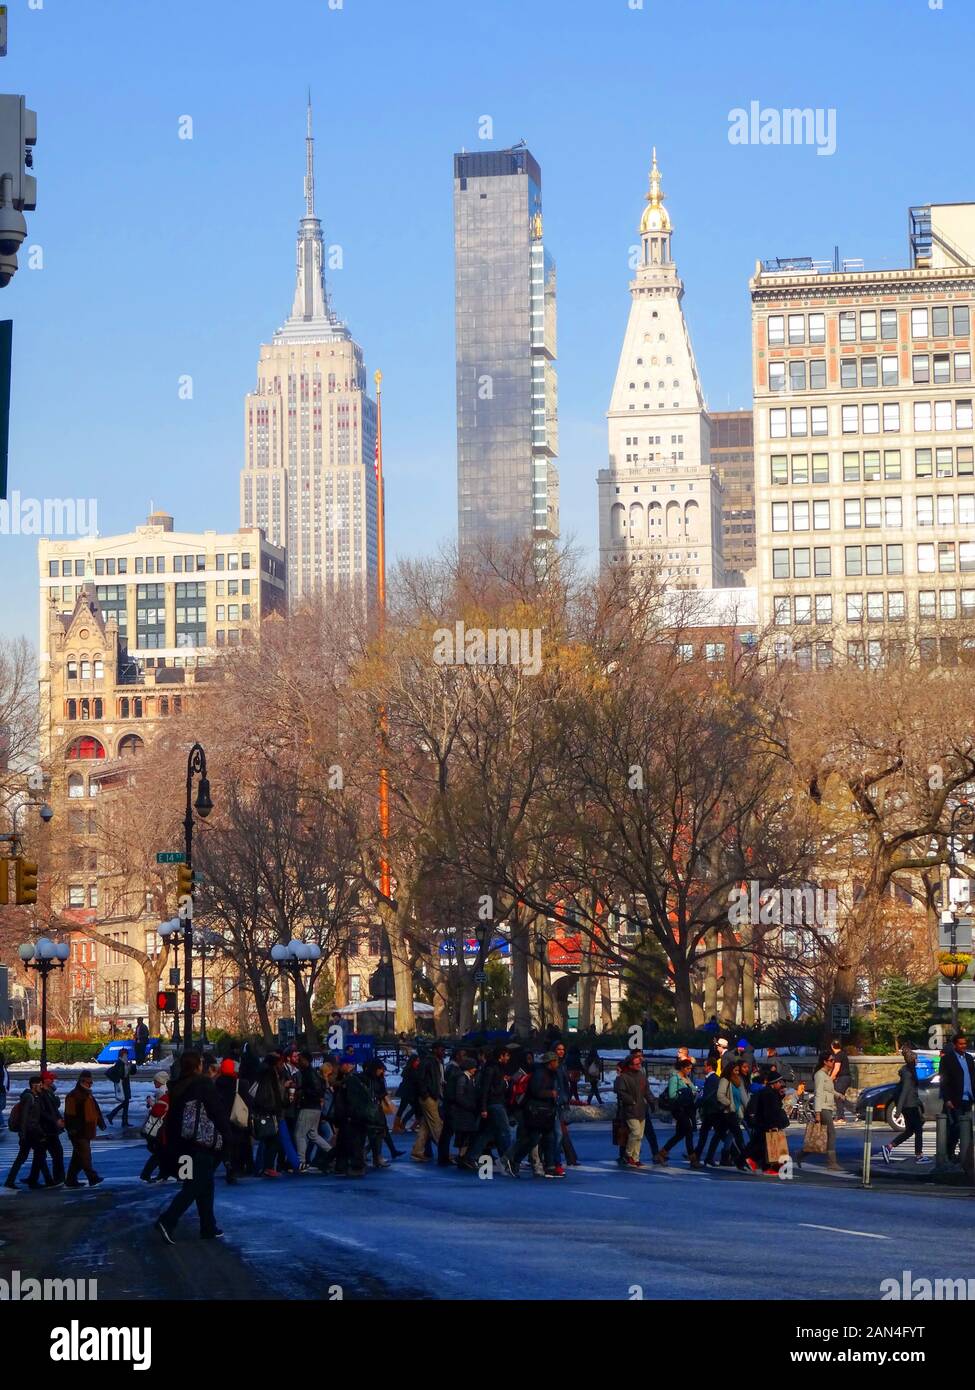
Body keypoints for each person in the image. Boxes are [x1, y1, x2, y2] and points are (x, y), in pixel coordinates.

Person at [155, 1051, 231, 1243]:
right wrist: (228, 1138)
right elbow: (217, 1113)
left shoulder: (177, 1086)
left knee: (203, 1184)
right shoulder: (202, 1085)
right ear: (197, 1065)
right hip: (202, 1144)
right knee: (196, 1185)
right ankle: (168, 1220)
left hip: (182, 1144)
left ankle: (208, 1226)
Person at [502, 1052, 561, 1178]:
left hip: (543, 1111)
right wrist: (551, 1093)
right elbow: (535, 1091)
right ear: (550, 1063)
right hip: (535, 1111)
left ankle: (549, 1166)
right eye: (556, 1061)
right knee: (531, 1139)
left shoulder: (550, 1073)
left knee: (545, 1137)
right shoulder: (540, 1074)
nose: (558, 1063)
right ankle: (512, 1160)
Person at [878, 1045, 929, 1166]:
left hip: (911, 1104)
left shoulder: (909, 1070)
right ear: (911, 1060)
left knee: (910, 1131)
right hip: (909, 1106)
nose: (917, 1061)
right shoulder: (908, 1074)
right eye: (915, 1059)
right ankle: (919, 1155)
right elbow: (905, 1091)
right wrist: (898, 1110)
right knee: (918, 1130)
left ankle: (889, 1147)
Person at [466, 1044, 512, 1167]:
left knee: (488, 1133)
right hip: (495, 1103)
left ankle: (472, 1156)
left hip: (493, 1103)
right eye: (506, 1056)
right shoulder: (493, 1068)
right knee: (504, 1131)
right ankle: (508, 1159)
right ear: (501, 1055)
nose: (508, 1058)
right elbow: (486, 1089)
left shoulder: (492, 1067)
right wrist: (484, 1107)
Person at [3, 1077, 54, 1189]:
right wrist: (23, 1134)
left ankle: (14, 1180)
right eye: (40, 1084)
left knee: (35, 1156)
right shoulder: (29, 1097)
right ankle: (44, 1180)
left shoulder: (35, 1097)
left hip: (32, 1131)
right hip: (30, 1132)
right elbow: (25, 1117)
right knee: (34, 1155)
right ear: (34, 1085)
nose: (41, 1087)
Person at [799, 1052, 842, 1171]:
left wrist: (838, 1095)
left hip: (828, 1106)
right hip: (822, 1108)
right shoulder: (819, 1075)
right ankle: (831, 1162)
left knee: (820, 1135)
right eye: (831, 1060)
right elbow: (818, 1093)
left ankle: (802, 1154)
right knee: (831, 1133)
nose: (833, 1062)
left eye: (833, 1060)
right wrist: (817, 1112)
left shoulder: (826, 1075)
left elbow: (829, 1090)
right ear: (825, 1062)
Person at [939, 1032, 975, 1173]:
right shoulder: (948, 1059)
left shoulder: (969, 1058)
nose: (963, 1046)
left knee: (968, 1127)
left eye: (965, 1043)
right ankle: (950, 1151)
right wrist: (947, 1099)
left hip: (968, 1097)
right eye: (960, 1044)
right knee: (956, 1127)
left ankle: (966, 1156)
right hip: (955, 1098)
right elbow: (944, 1081)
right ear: (955, 1045)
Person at [64, 1071, 106, 1187]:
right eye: (89, 1082)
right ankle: (92, 1177)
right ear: (82, 1081)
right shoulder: (74, 1095)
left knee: (78, 1156)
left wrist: (100, 1122)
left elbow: (95, 1110)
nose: (91, 1084)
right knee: (85, 1155)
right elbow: (69, 1115)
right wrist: (72, 1129)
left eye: (91, 1082)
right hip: (79, 1131)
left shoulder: (87, 1094)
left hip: (85, 1130)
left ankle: (70, 1179)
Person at [744, 1071, 791, 1175]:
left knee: (764, 1145)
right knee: (771, 1147)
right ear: (773, 1083)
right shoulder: (769, 1094)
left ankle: (755, 1161)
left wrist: (780, 1096)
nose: (781, 1084)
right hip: (768, 1124)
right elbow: (771, 1111)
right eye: (779, 1082)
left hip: (764, 1123)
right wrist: (773, 1125)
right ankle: (766, 1166)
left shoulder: (769, 1092)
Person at [656, 1057, 698, 1166]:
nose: (689, 1070)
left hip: (687, 1109)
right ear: (682, 1068)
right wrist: (685, 1094)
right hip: (679, 1109)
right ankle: (692, 1157)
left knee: (680, 1134)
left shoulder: (687, 1079)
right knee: (688, 1130)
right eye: (688, 1068)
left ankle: (662, 1153)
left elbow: (693, 1090)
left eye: (690, 1069)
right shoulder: (675, 1078)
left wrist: (693, 1093)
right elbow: (672, 1094)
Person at [615, 1048, 653, 1168]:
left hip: (641, 1109)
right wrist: (631, 1100)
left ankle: (635, 1158)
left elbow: (647, 1091)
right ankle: (628, 1154)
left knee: (640, 1136)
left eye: (639, 1063)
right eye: (636, 1064)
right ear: (630, 1065)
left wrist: (652, 1102)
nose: (639, 1065)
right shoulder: (624, 1077)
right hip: (630, 1110)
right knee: (635, 1132)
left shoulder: (641, 1076)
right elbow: (621, 1092)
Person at [709, 1060, 748, 1169]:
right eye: (735, 1070)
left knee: (721, 1136)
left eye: (738, 1071)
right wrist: (729, 1103)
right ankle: (742, 1161)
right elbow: (720, 1095)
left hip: (734, 1112)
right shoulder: (725, 1080)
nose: (737, 1073)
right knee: (739, 1136)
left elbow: (738, 1098)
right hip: (728, 1113)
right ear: (730, 1070)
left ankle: (716, 1157)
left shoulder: (736, 1081)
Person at [411, 1043, 445, 1162]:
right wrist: (425, 1094)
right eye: (441, 1049)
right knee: (436, 1124)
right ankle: (443, 1150)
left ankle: (417, 1151)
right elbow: (421, 1079)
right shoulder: (430, 1062)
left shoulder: (434, 1061)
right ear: (435, 1050)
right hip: (429, 1096)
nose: (444, 1052)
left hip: (431, 1095)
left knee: (426, 1126)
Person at [295, 1051, 328, 1170]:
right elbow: (321, 1088)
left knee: (300, 1134)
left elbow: (314, 1089)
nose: (298, 1062)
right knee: (313, 1134)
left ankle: (301, 1161)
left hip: (308, 1106)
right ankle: (331, 1153)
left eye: (300, 1059)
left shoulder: (308, 1073)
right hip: (316, 1108)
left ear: (306, 1060)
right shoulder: (313, 1073)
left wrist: (302, 1092)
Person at [438, 1047, 468, 1166]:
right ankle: (444, 1156)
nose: (464, 1057)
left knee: (447, 1131)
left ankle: (443, 1156)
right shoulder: (454, 1070)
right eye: (463, 1055)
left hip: (449, 1103)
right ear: (457, 1056)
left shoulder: (452, 1068)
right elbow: (451, 1088)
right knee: (448, 1131)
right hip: (451, 1105)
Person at [140, 1072, 170, 1182]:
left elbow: (157, 1110)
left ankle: (153, 1173)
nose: (154, 1082)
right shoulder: (165, 1091)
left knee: (159, 1152)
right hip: (163, 1126)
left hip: (160, 1126)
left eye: (155, 1081)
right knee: (162, 1152)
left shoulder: (161, 1092)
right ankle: (164, 1174)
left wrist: (151, 1103)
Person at [38, 1072, 67, 1186]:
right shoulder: (42, 1093)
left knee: (43, 1155)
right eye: (51, 1079)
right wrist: (56, 1121)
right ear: (45, 1080)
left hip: (50, 1128)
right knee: (55, 1153)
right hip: (47, 1129)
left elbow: (54, 1108)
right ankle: (57, 1178)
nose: (53, 1081)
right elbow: (45, 1111)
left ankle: (54, 1178)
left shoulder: (49, 1092)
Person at [693, 1058, 722, 1164]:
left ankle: (699, 1155)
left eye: (705, 1066)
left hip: (711, 1111)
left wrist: (697, 1105)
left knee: (713, 1134)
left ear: (709, 1067)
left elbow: (707, 1096)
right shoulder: (715, 1078)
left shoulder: (712, 1079)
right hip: (712, 1111)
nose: (703, 1068)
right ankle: (700, 1155)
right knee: (709, 1134)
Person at [106, 1049, 134, 1127]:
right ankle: (112, 1115)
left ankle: (123, 1121)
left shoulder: (126, 1063)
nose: (126, 1056)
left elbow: (132, 1072)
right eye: (125, 1054)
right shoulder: (119, 1063)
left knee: (126, 1103)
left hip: (126, 1084)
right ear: (121, 1055)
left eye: (127, 1054)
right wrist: (117, 1080)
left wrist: (131, 1066)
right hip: (121, 1085)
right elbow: (108, 1073)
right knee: (125, 1103)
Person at [394, 1052, 420, 1132]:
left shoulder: (410, 1069)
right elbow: (415, 1080)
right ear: (412, 1061)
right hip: (408, 1092)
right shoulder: (411, 1070)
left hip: (407, 1092)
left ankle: (400, 1124)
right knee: (413, 1108)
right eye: (417, 1061)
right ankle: (399, 1125)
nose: (418, 1062)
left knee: (411, 1108)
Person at [828, 1038, 853, 1123]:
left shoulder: (838, 1055)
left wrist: (830, 1078)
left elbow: (837, 1068)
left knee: (838, 1096)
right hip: (845, 1078)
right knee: (839, 1096)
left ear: (832, 1046)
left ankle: (841, 1117)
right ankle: (855, 1110)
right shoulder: (842, 1054)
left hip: (843, 1078)